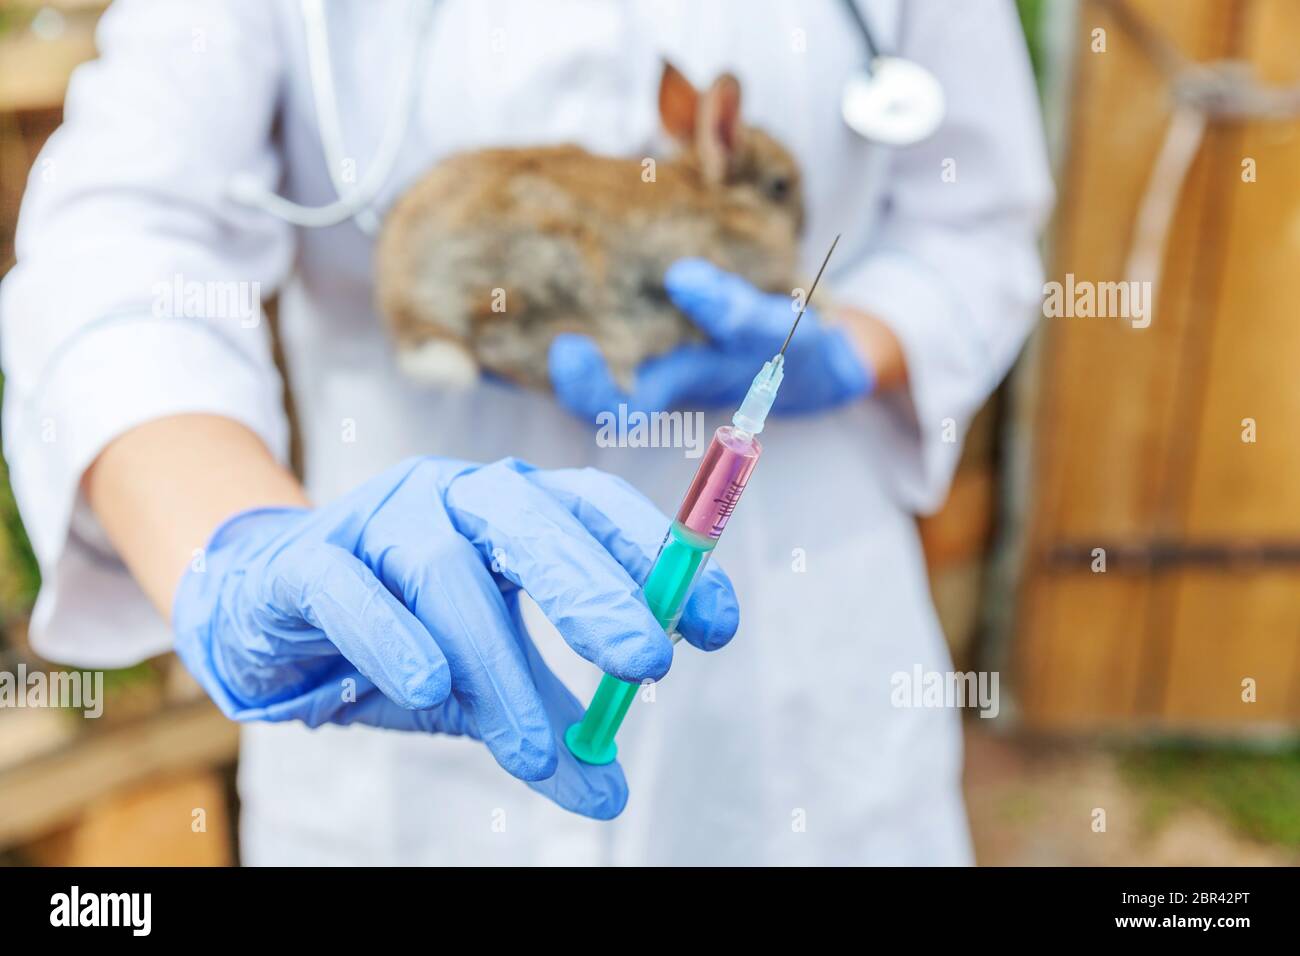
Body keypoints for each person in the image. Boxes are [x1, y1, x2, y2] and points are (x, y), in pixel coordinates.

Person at [0, 0, 1051, 865]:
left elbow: (978, 220)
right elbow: (123, 232)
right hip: (405, 621)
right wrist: (231, 542)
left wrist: (855, 344)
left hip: (799, 666)